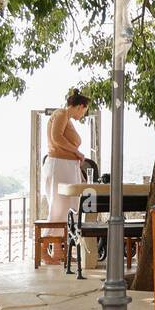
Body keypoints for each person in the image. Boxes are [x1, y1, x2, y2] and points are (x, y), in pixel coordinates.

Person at [42, 89, 91, 227]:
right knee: (60, 206)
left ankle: (65, 242)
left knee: (68, 206)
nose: (83, 115)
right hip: (60, 166)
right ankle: (57, 244)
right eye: (84, 111)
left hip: (66, 166)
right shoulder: (62, 113)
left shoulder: (65, 118)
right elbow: (56, 137)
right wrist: (76, 152)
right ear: (80, 106)